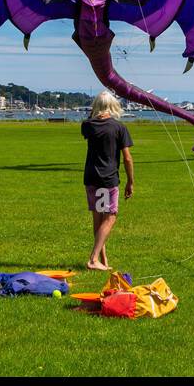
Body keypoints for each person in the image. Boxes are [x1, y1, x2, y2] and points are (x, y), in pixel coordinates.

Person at [80, 90, 134, 270]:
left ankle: (103, 261)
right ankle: (93, 259)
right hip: (108, 178)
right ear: (113, 106)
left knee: (99, 219)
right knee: (110, 218)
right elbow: (127, 158)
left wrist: (94, 112)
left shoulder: (87, 125)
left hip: (90, 177)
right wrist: (130, 182)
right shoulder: (119, 128)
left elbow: (90, 122)